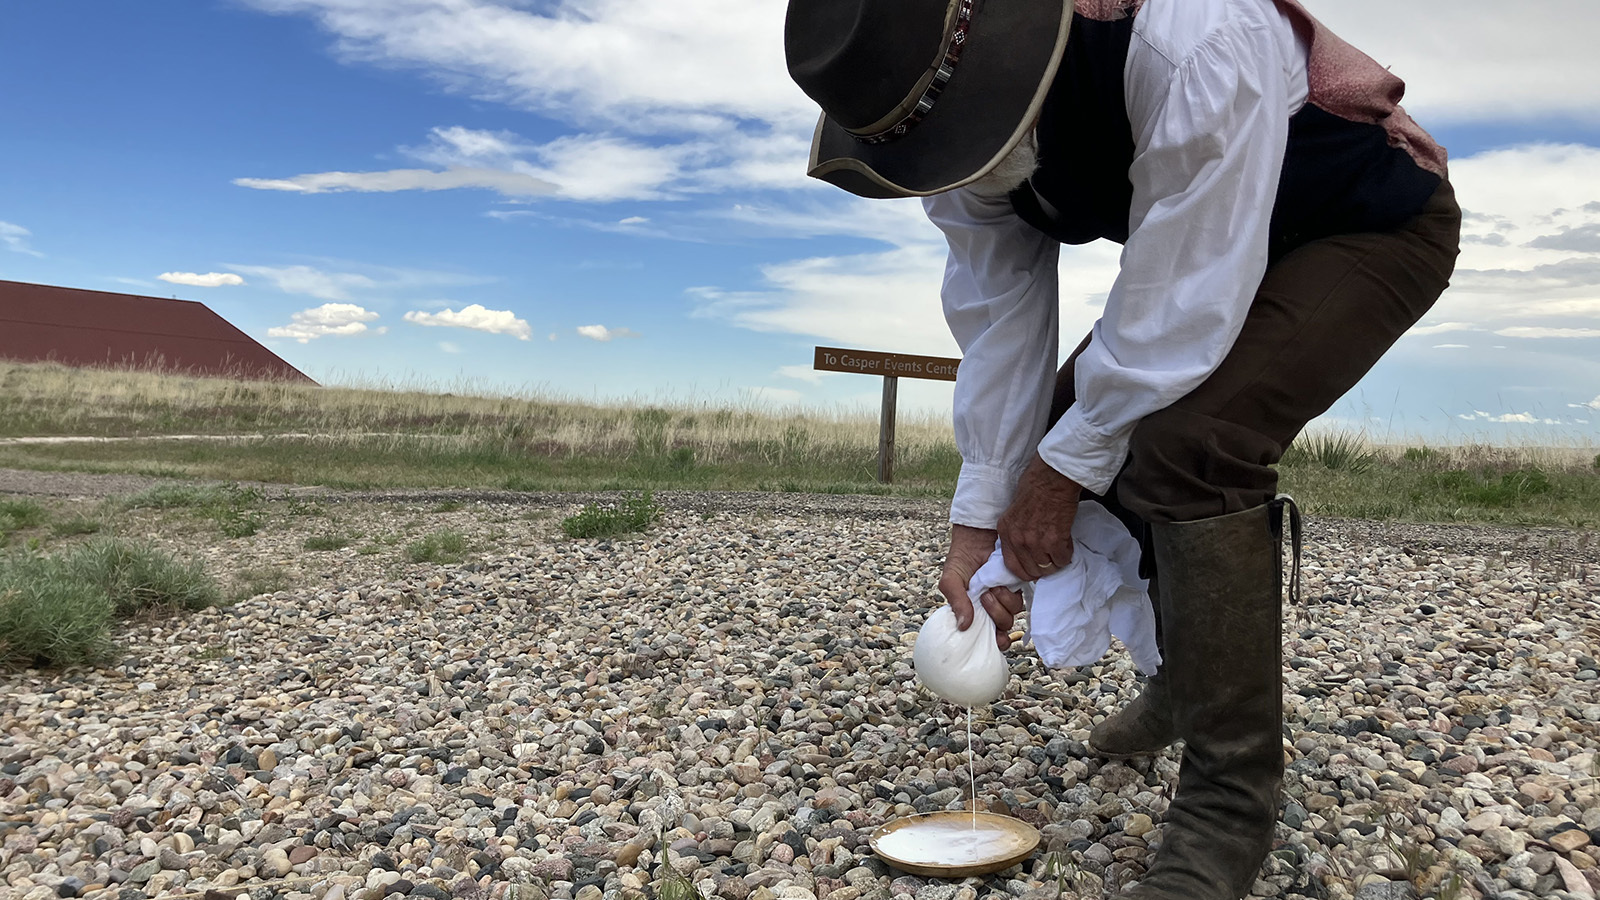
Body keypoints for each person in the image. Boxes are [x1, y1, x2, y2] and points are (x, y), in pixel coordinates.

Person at [784, 0, 1461, 897]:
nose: (949, 154)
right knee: (1072, 423)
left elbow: (1188, 290)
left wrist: (1061, 473)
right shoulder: (937, 124)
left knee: (1190, 443)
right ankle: (1187, 680)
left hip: (1360, 226)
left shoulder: (1195, 36)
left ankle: (1228, 800)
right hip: (1213, 251)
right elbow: (1000, 316)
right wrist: (980, 524)